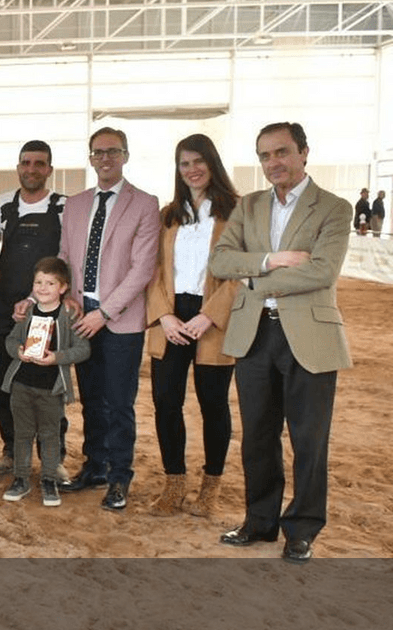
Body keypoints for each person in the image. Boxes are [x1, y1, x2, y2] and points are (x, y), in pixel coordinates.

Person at [209, 122, 352, 564]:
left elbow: (322, 272)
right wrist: (270, 261)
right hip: (254, 334)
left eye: (282, 152)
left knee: (309, 439)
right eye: (265, 156)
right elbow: (221, 260)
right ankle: (260, 521)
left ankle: (303, 529)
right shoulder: (248, 206)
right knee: (258, 436)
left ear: (304, 152)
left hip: (309, 336)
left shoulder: (334, 207)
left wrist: (253, 277)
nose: (274, 163)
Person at [41, 127, 160, 511]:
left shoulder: (144, 204)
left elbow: (142, 269)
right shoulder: (74, 205)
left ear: (125, 155)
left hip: (120, 322)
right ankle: (95, 467)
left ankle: (120, 476)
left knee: (119, 402)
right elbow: (64, 257)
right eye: (98, 152)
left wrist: (104, 313)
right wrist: (66, 300)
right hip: (80, 317)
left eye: (112, 151)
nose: (105, 158)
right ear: (90, 158)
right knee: (91, 399)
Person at [144, 134, 240, 518]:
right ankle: (174, 486)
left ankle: (210, 489)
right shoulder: (168, 214)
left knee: (213, 404)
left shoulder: (235, 212)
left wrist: (209, 316)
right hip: (170, 317)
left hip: (213, 317)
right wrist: (164, 315)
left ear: (212, 163)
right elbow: (153, 270)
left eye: (198, 161)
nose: (192, 170)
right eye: (184, 163)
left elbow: (239, 274)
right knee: (166, 402)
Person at [0, 140, 70, 482]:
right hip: (5, 307)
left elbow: (68, 254)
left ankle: (53, 457)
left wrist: (41, 298)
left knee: (46, 381)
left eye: (39, 163)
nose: (31, 169)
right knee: (7, 378)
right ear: (18, 166)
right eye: (26, 163)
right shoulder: (3, 204)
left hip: (45, 306)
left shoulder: (63, 206)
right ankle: (10, 450)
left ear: (49, 168)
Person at [0, 257, 89, 507]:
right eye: (38, 282)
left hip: (52, 388)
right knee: (22, 434)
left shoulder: (68, 315)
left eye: (50, 283)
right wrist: (17, 351)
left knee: (50, 435)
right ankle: (21, 478)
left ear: (63, 288)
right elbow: (10, 339)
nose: (42, 288)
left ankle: (49, 479)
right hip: (22, 385)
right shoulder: (27, 311)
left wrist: (56, 359)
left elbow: (83, 349)